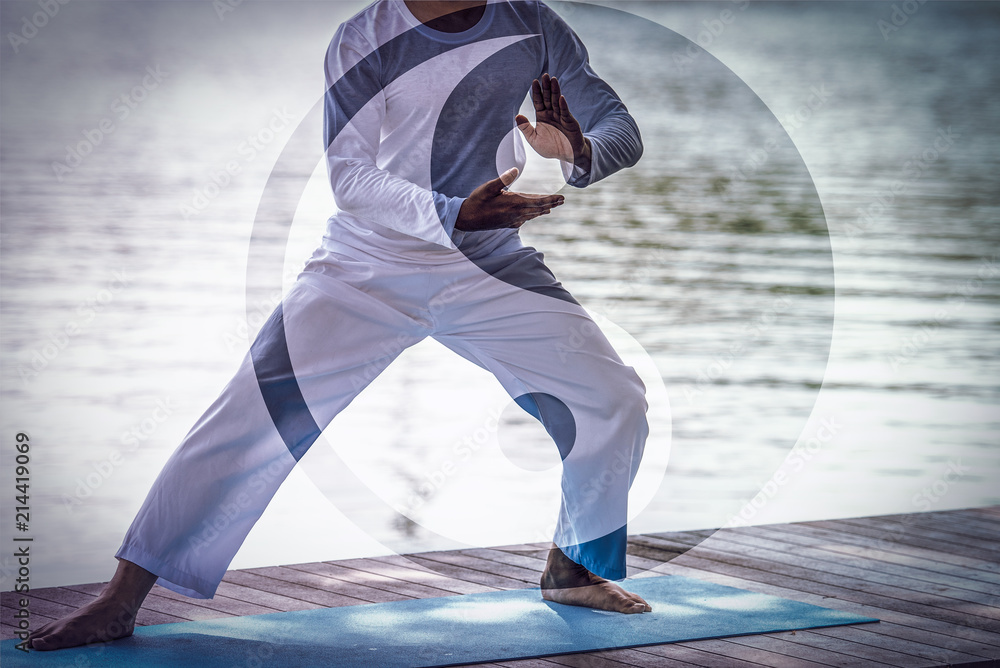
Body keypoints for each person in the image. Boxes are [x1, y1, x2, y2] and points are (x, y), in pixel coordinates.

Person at [28, 0, 650, 651]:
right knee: (248, 414)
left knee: (612, 398)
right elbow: (349, 175)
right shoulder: (366, 37)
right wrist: (450, 212)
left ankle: (572, 569)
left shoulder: (533, 22)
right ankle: (119, 600)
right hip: (368, 265)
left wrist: (578, 147)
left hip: (490, 263)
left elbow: (620, 129)